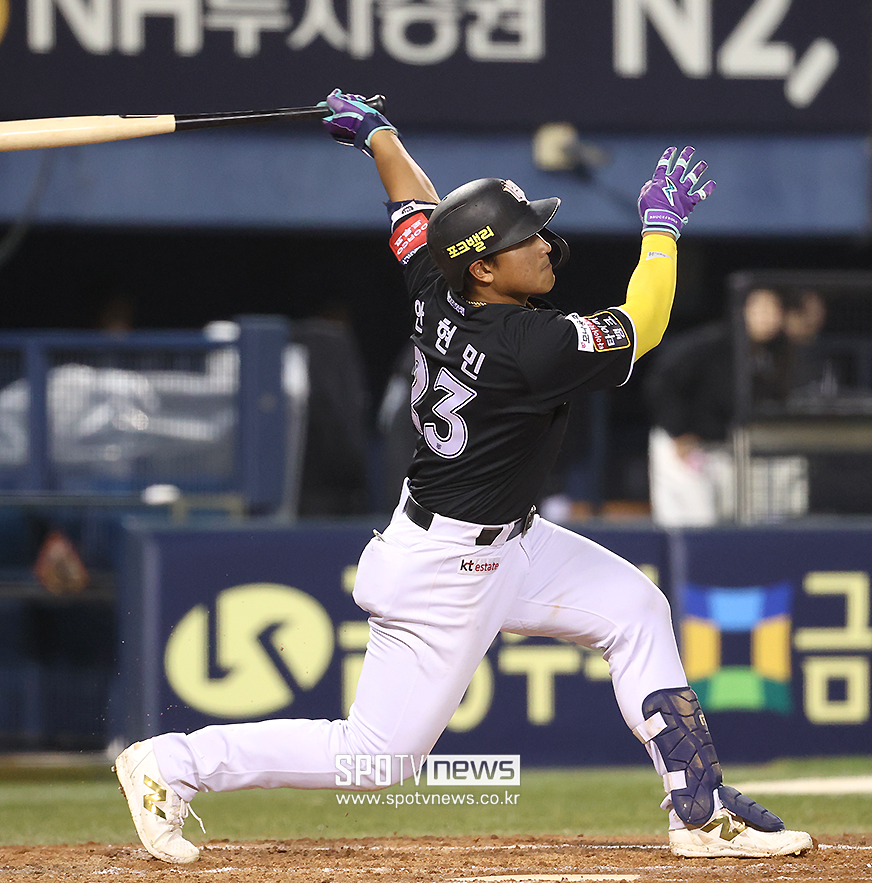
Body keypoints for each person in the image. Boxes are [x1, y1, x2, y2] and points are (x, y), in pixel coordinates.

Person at [113, 90, 812, 863]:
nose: (545, 242)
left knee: (634, 607)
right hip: (448, 567)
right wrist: (661, 229)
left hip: (503, 537)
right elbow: (642, 324)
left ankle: (699, 806)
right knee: (373, 759)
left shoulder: (435, 282)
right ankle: (170, 764)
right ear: (484, 266)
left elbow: (413, 205)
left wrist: (379, 134)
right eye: (524, 238)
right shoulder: (528, 346)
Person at [645, 287, 805, 526]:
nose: (767, 316)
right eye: (760, 308)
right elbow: (661, 382)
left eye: (773, 309)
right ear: (742, 311)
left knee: (730, 525)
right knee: (695, 524)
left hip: (723, 448)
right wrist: (678, 431)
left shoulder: (775, 353)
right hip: (681, 444)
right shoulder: (711, 344)